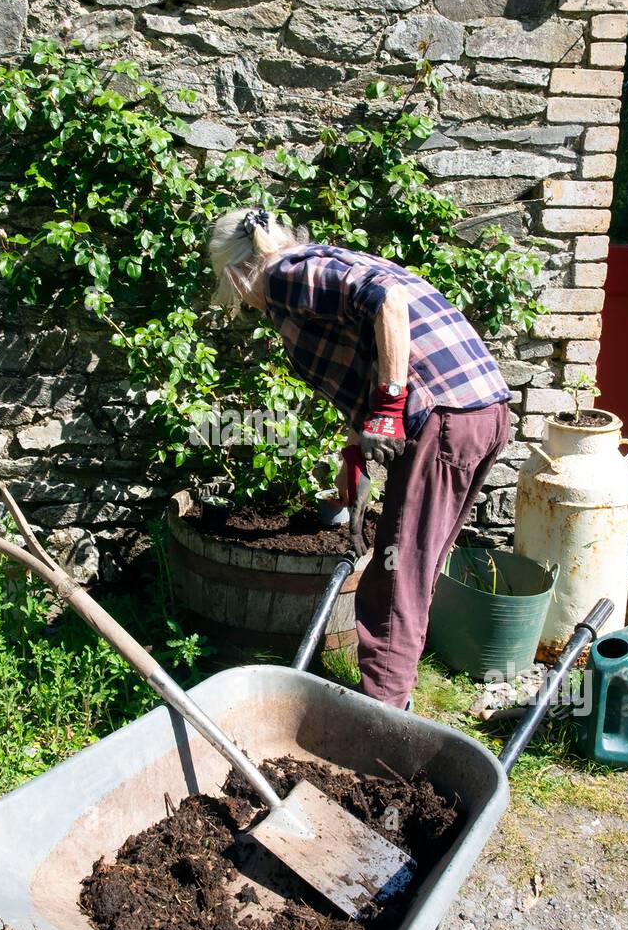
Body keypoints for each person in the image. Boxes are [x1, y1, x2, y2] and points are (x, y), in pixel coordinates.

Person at [208, 205, 511, 711]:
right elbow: (364, 347)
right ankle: (394, 697)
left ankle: (380, 720)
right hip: (482, 411)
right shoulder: (317, 262)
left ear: (237, 272)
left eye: (228, 284)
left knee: (394, 577)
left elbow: (387, 303)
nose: (240, 300)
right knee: (416, 565)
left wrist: (390, 409)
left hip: (443, 417)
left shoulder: (282, 274)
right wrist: (355, 445)